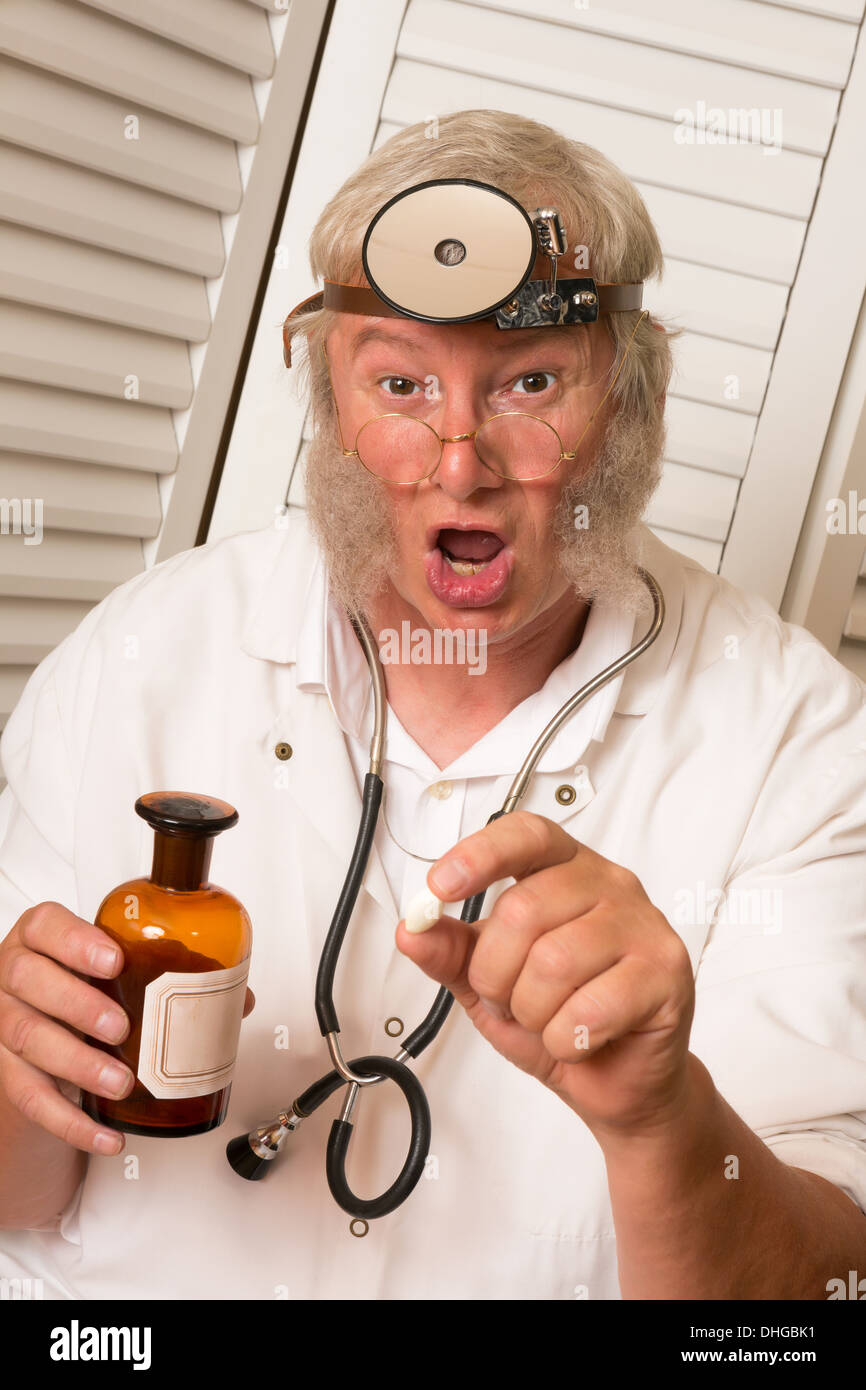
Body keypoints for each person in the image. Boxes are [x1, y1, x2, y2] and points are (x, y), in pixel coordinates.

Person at [1, 109, 865, 1301]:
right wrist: (17, 1077)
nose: (458, 463)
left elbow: (819, 1303)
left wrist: (666, 1117)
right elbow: (22, 1194)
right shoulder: (145, 651)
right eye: (399, 382)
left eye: (528, 381)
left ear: (634, 395)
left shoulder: (799, 743)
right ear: (325, 395)